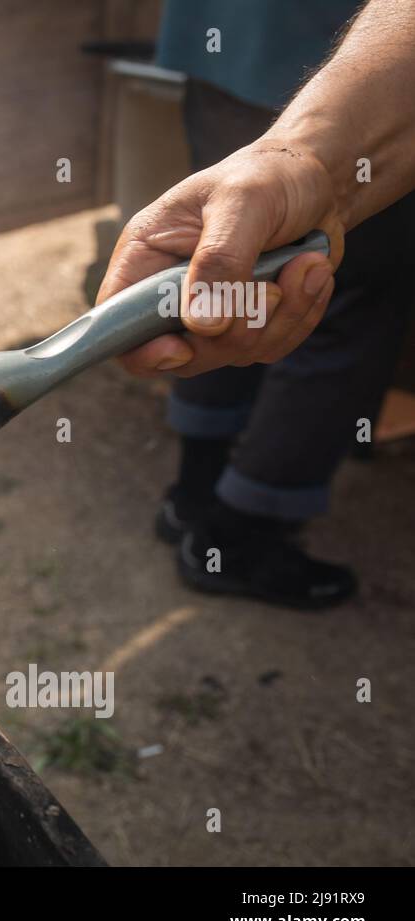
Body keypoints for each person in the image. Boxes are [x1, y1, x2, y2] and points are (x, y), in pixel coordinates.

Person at [98, 0, 415, 608]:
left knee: (216, 267)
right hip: (342, 57)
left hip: (225, 38)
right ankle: (244, 533)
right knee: (327, 300)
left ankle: (192, 495)